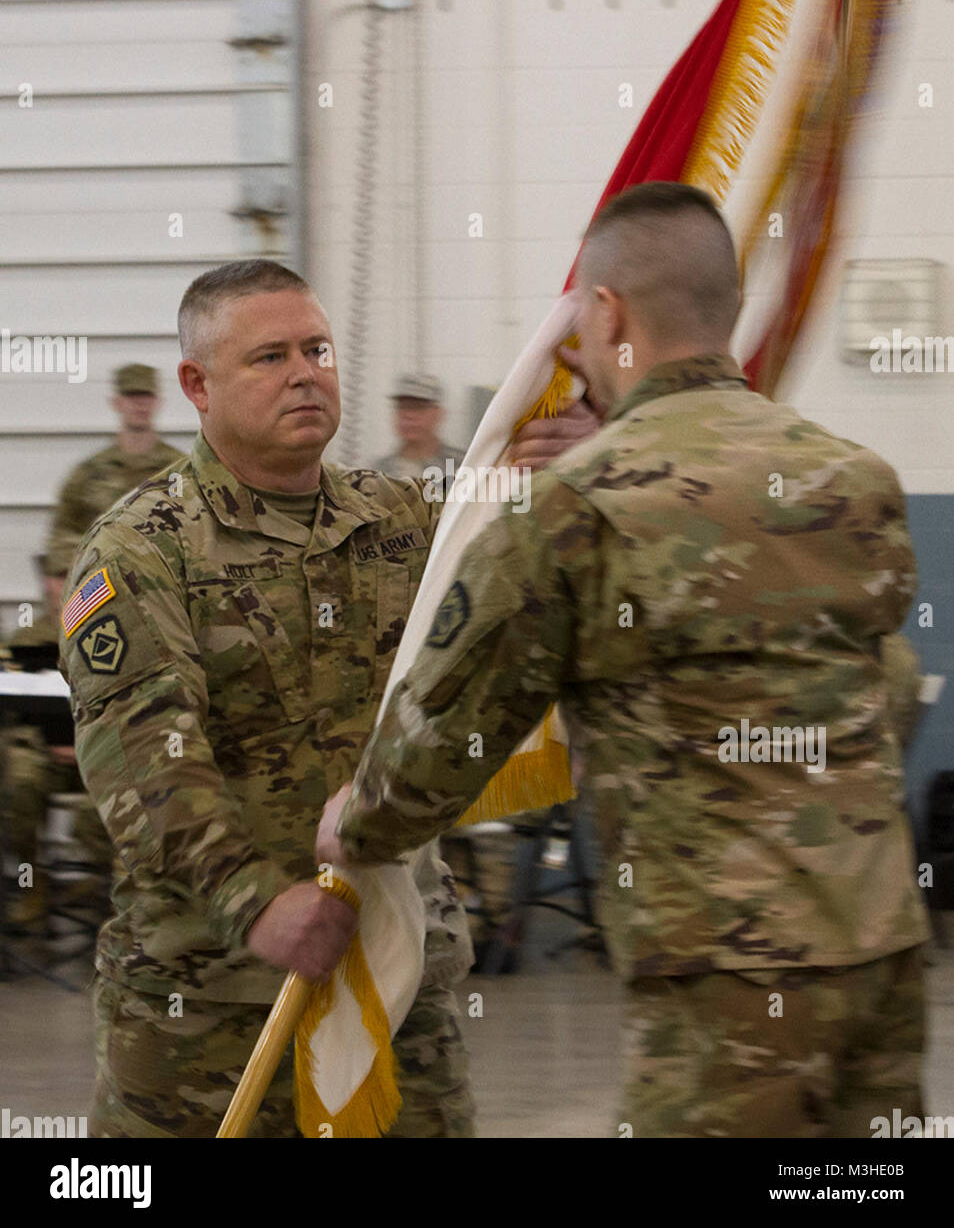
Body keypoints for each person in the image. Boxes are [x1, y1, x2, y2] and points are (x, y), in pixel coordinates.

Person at [318, 182, 932, 1139]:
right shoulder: (850, 476)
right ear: (725, 307)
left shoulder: (577, 507)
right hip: (882, 945)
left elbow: (453, 721)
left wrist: (357, 823)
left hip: (724, 970)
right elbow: (889, 691)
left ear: (606, 313)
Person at [58, 258, 597, 1138]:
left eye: (319, 349)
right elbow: (143, 753)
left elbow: (517, 625)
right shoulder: (142, 550)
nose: (306, 373)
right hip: (210, 1006)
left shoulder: (403, 518)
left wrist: (566, 481)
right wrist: (253, 903)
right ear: (196, 384)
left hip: (392, 975)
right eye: (270, 357)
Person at [1, 561, 108, 930]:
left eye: (69, 572)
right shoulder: (27, 637)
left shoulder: (111, 625)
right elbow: (12, 712)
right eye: (55, 574)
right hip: (45, 758)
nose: (60, 583)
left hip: (101, 759)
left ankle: (103, 886)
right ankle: (34, 883)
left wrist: (84, 748)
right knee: (20, 787)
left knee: (117, 806)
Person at [45, 364, 183, 596]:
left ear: (158, 402)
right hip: (100, 593)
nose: (140, 404)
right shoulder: (89, 474)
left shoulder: (178, 471)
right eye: (131, 396)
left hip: (165, 593)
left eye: (146, 396)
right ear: (116, 402)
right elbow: (62, 538)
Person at [375, 374, 464, 482]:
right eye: (403, 407)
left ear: (439, 414)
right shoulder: (379, 471)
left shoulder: (462, 466)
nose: (409, 415)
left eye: (418, 407)